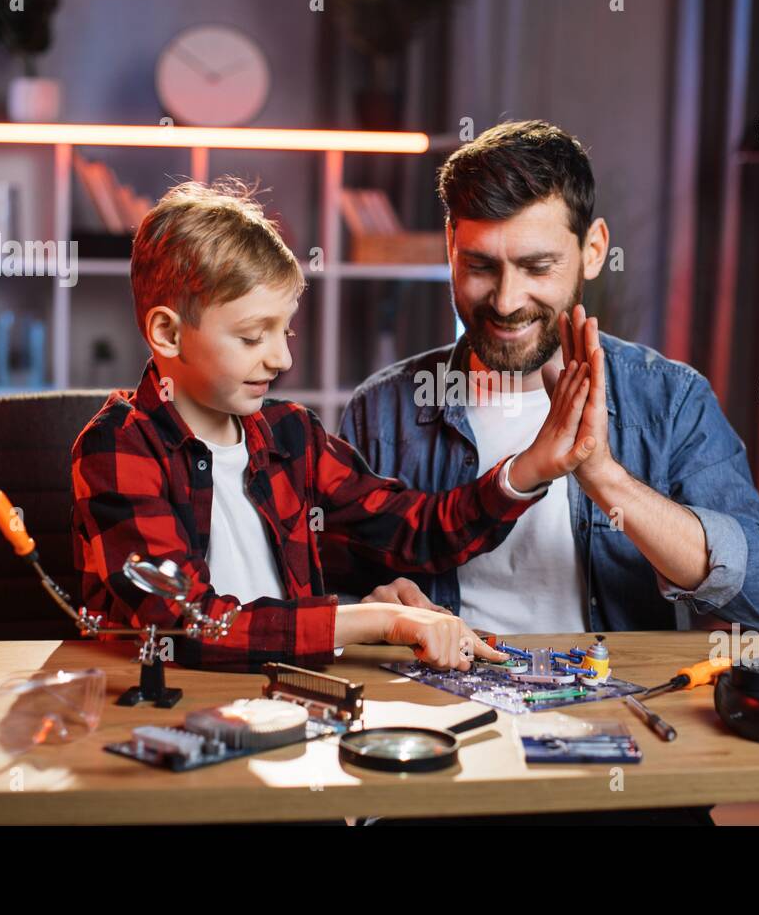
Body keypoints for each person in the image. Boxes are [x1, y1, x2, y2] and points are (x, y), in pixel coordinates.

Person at [70, 178, 600, 672]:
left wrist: (529, 469)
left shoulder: (291, 435)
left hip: (293, 704)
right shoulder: (116, 447)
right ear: (167, 332)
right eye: (254, 337)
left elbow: (410, 529)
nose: (281, 360)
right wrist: (377, 622)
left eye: (287, 334)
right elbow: (188, 624)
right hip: (165, 717)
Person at [335, 120, 759, 635]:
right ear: (450, 246)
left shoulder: (671, 399)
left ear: (593, 250)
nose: (506, 301)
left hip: (614, 703)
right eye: (480, 266)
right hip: (445, 708)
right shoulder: (382, 409)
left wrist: (603, 476)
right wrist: (372, 606)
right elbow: (331, 589)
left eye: (537, 267)